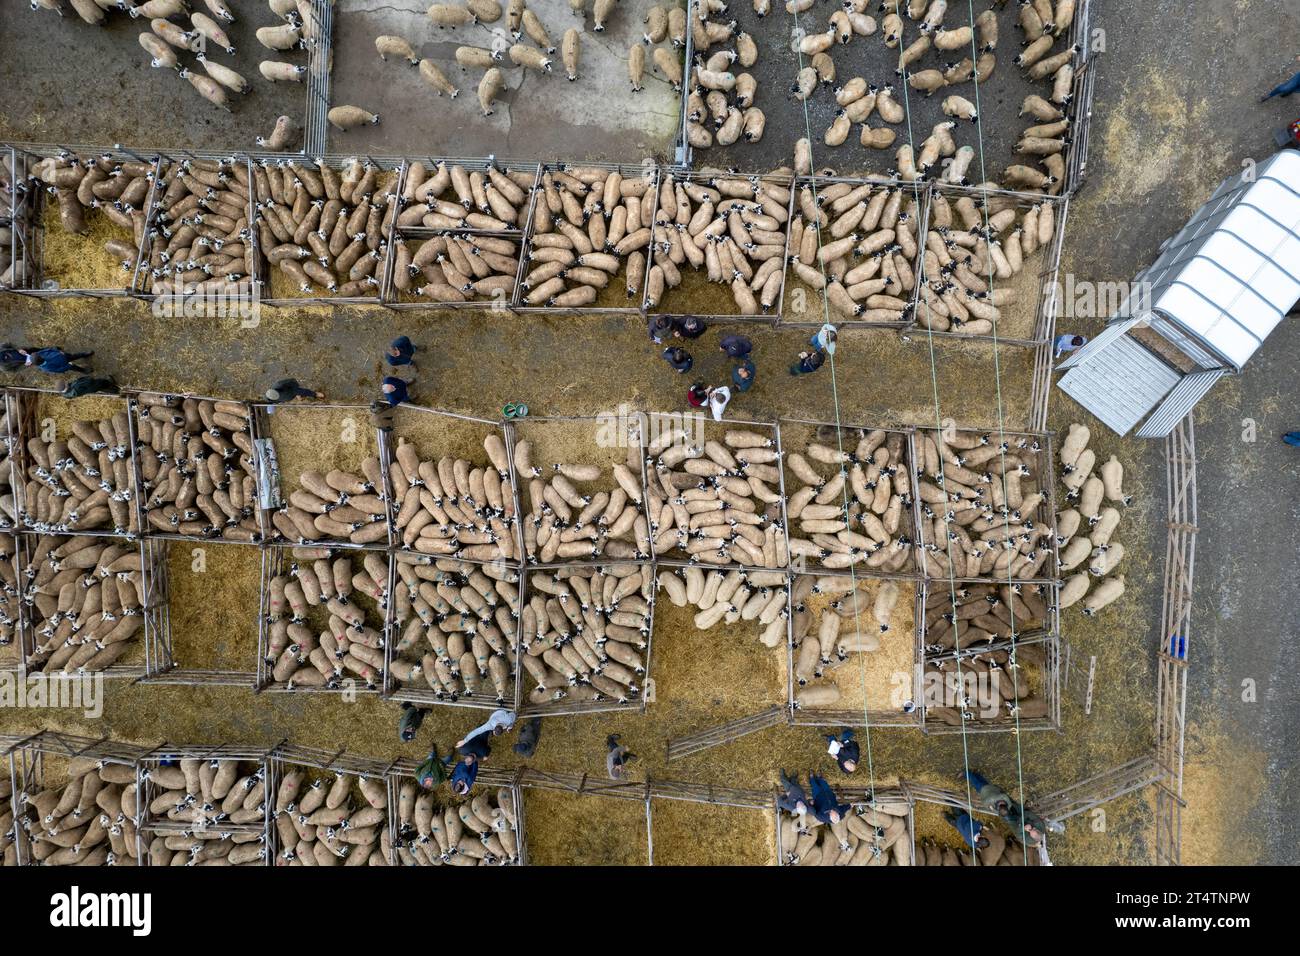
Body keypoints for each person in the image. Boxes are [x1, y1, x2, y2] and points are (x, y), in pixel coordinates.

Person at [27, 347, 94, 375]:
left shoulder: (39, 353)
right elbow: (59, 370)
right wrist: (68, 365)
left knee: (74, 356)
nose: (40, 354)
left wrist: (58, 351)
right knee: (74, 367)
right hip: (65, 364)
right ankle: (84, 370)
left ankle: (84, 354)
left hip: (63, 355)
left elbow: (48, 349)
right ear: (40, 360)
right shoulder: (46, 367)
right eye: (39, 356)